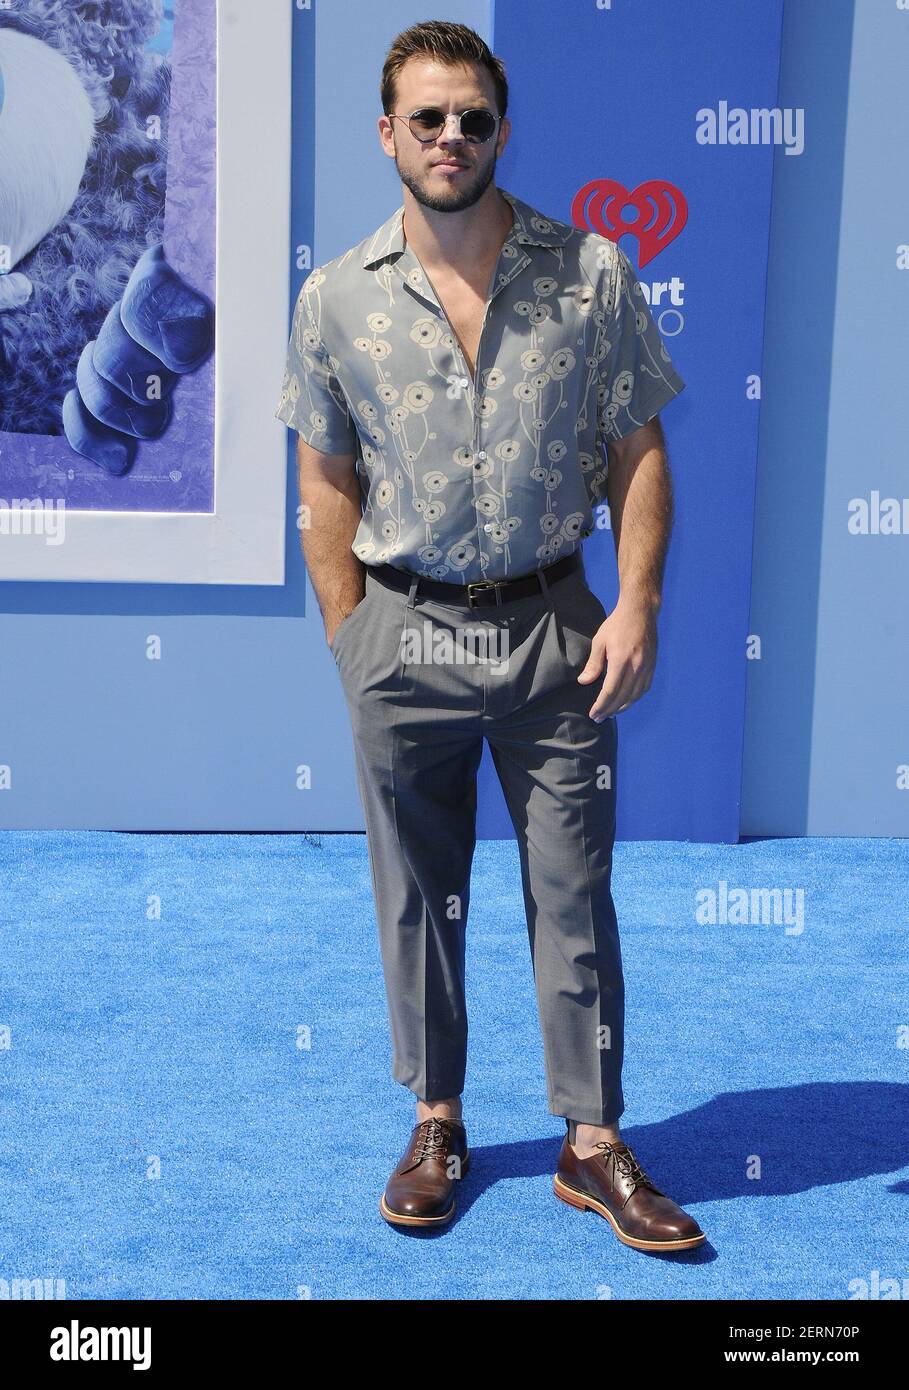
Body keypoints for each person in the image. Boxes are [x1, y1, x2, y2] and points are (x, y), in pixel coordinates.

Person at [276, 20, 704, 1253]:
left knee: (574, 888)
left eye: (471, 118)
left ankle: (593, 1142)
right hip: (401, 627)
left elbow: (639, 449)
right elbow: (323, 479)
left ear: (502, 130)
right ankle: (438, 1118)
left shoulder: (592, 273)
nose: (450, 137)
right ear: (388, 135)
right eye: (427, 118)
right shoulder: (336, 297)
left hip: (556, 631)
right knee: (419, 894)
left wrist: (638, 604)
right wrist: (351, 638)